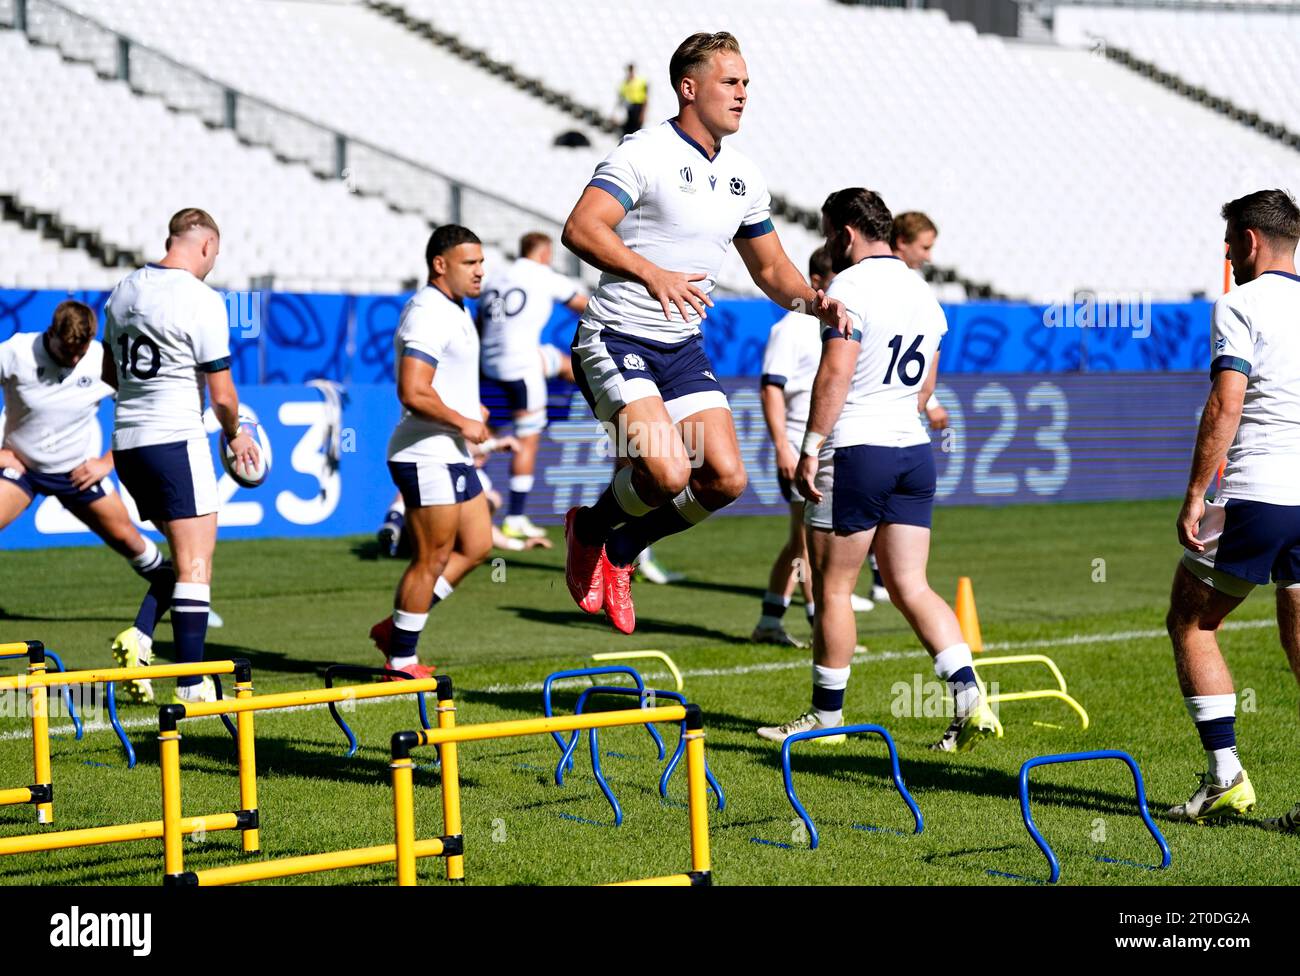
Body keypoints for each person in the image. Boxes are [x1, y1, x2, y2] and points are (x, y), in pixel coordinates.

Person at [561, 31, 847, 635]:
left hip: (682, 348)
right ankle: (587, 530)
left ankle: (621, 549)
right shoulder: (642, 152)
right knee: (666, 474)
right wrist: (651, 273)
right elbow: (582, 228)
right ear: (689, 88)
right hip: (616, 338)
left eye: (746, 83)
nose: (743, 94)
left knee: (725, 479)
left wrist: (815, 303)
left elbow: (770, 270)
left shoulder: (743, 174)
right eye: (731, 82)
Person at [757, 188, 1001, 750]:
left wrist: (811, 443)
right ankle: (970, 696)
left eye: (826, 233)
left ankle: (825, 720)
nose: (826, 245)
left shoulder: (849, 286)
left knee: (834, 587)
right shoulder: (925, 295)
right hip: (911, 451)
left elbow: (835, 374)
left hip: (856, 449)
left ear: (845, 233)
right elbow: (927, 389)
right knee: (911, 584)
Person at [1165, 188, 1300, 830]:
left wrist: (1196, 492)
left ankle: (1225, 778)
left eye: (1229, 241)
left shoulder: (1240, 303)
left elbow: (1226, 403)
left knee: (1192, 621)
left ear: (1249, 241)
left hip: (1259, 493)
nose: (1226, 253)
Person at [102, 208, 258, 705]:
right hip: (175, 441)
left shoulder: (123, 290)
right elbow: (224, 397)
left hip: (128, 443)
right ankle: (192, 683)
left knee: (181, 557)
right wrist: (235, 435)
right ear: (207, 246)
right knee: (196, 564)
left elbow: (110, 376)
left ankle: (141, 637)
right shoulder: (202, 300)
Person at [0, 301, 176, 703]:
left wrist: (105, 462)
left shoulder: (100, 358)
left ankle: (171, 611)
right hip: (21, 468)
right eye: (67, 352)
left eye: (81, 352)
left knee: (140, 551)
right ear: (52, 335)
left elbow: (143, 411)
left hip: (78, 472)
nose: (75, 360)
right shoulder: (15, 353)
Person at [368, 225, 493, 678]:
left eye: (481, 262)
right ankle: (400, 660)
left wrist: (466, 408)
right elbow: (413, 391)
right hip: (424, 453)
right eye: (470, 263)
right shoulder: (426, 313)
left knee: (478, 546)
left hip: (450, 450)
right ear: (440, 265)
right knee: (432, 557)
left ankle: (398, 626)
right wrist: (463, 421)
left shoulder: (455, 308)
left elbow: (442, 384)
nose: (481, 272)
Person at [753, 246, 874, 648]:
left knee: (797, 540)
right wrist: (782, 448)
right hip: (797, 446)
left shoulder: (839, 327)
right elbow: (771, 388)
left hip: (822, 446)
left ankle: (769, 620)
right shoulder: (791, 329)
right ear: (818, 284)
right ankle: (825, 625)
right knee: (808, 542)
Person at [478, 231, 586, 542]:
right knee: (529, 439)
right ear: (544, 253)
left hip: (490, 363)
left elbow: (482, 322)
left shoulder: (496, 277)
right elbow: (582, 305)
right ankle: (515, 517)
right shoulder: (542, 275)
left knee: (561, 363)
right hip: (521, 367)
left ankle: (473, 480)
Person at [617, 63, 648, 137]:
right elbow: (621, 98)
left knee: (637, 130)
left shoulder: (641, 82)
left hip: (638, 107)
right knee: (628, 130)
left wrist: (643, 113)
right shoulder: (624, 83)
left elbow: (645, 98)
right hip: (628, 108)